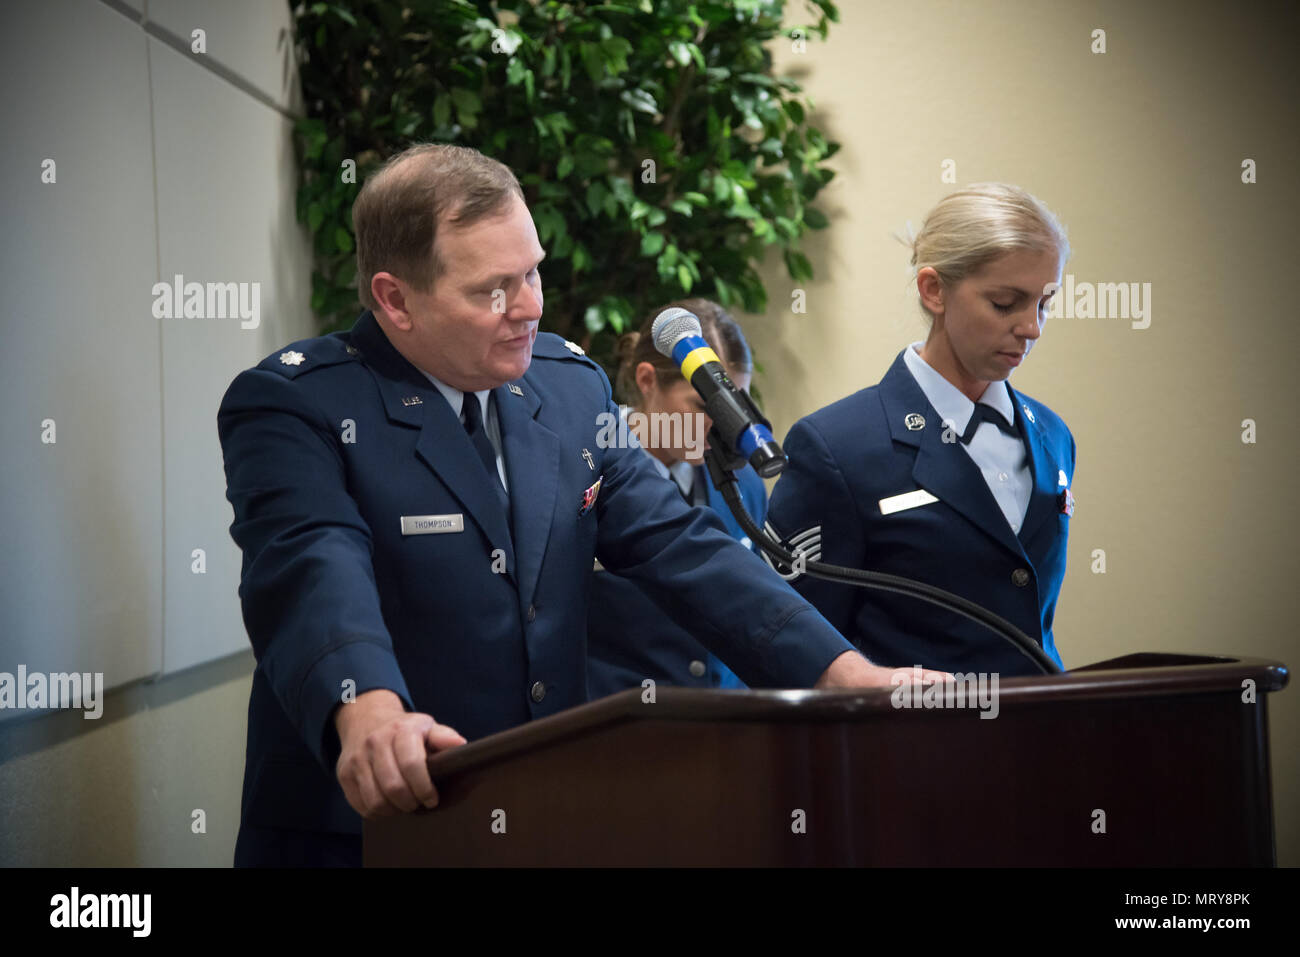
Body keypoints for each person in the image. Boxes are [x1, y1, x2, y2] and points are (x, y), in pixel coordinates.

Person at [217, 144, 938, 867]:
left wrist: (845, 673)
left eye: (532, 271)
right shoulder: (297, 404)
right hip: (369, 828)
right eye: (492, 289)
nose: (529, 306)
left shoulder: (567, 388)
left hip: (539, 814)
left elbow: (677, 543)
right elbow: (314, 562)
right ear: (395, 298)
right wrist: (367, 705)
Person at [766, 183, 1075, 677]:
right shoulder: (837, 447)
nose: (1032, 327)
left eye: (1044, 303)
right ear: (934, 291)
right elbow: (795, 641)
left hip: (1040, 734)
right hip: (908, 741)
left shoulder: (1052, 436)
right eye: (1005, 302)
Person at [586, 299, 766, 695]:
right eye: (704, 405)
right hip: (615, 725)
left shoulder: (746, 483)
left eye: (736, 405)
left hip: (725, 725)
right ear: (647, 380)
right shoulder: (587, 475)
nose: (724, 425)